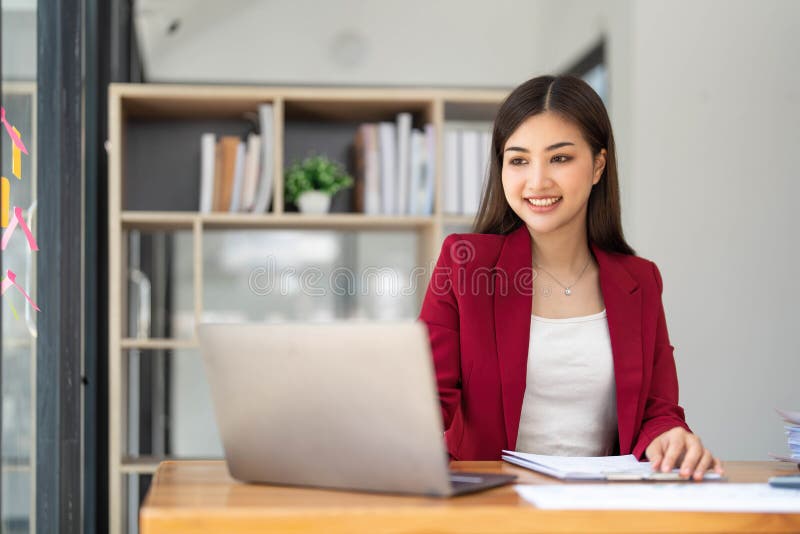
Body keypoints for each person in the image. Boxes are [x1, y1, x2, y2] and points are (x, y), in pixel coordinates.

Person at [418, 74, 724, 480]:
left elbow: (656, 409)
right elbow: (423, 400)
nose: (537, 181)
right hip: (491, 505)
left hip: (601, 505)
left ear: (598, 164)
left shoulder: (640, 281)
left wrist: (670, 435)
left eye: (560, 158)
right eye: (519, 160)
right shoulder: (465, 264)